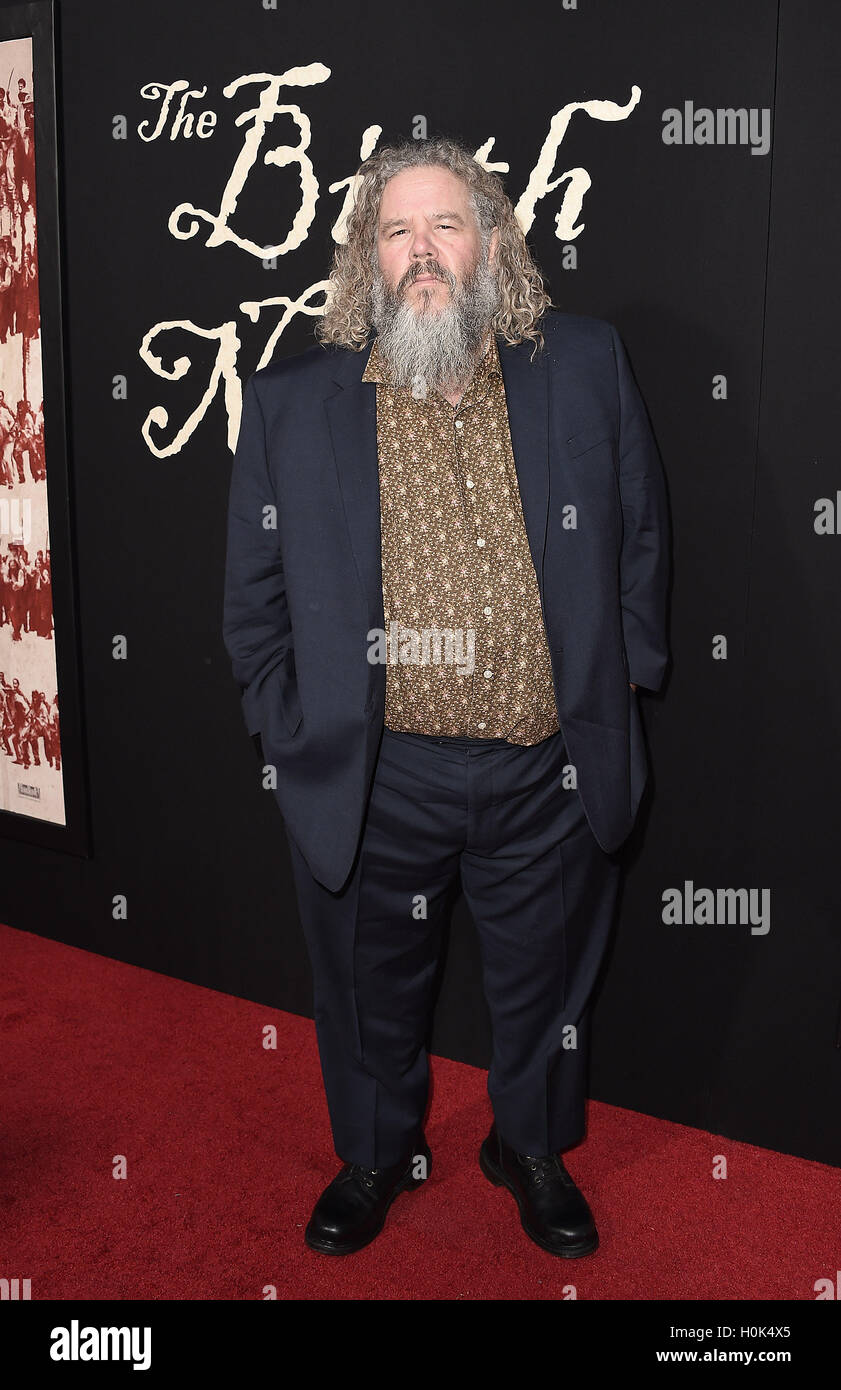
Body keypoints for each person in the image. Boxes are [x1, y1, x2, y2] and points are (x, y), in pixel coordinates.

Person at [222, 137, 671, 1259]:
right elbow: (253, 594)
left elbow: (642, 538)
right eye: (395, 230)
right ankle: (379, 1152)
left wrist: (622, 681)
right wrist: (290, 725)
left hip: (546, 765)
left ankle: (527, 1145)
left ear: (491, 244)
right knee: (368, 989)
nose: (420, 252)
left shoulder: (583, 361)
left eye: (445, 225)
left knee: (546, 985)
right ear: (366, 259)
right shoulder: (291, 403)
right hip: (378, 774)